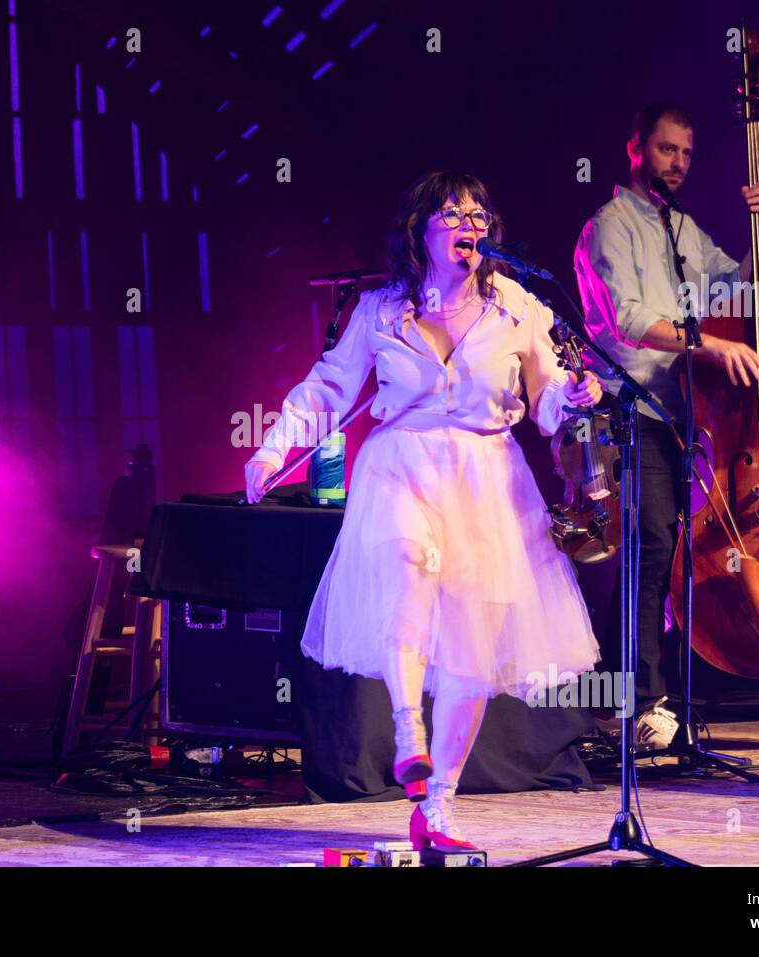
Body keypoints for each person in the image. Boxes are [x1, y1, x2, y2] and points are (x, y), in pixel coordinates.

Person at [245, 171, 603, 850]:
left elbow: (549, 400)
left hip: (489, 476)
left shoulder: (518, 306)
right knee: (410, 569)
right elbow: (326, 390)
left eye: (478, 212)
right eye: (450, 212)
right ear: (419, 231)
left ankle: (437, 807)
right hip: (401, 464)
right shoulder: (380, 310)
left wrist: (575, 396)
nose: (468, 223)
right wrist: (271, 450)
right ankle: (409, 732)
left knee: (473, 650)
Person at [573, 101, 759, 748]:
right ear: (635, 148)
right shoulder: (609, 225)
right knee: (650, 548)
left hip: (675, 411)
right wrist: (711, 346)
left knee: (658, 548)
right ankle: (636, 702)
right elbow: (628, 321)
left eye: (687, 154)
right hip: (625, 409)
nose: (678, 164)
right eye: (667, 150)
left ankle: (621, 699)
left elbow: (742, 292)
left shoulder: (684, 229)